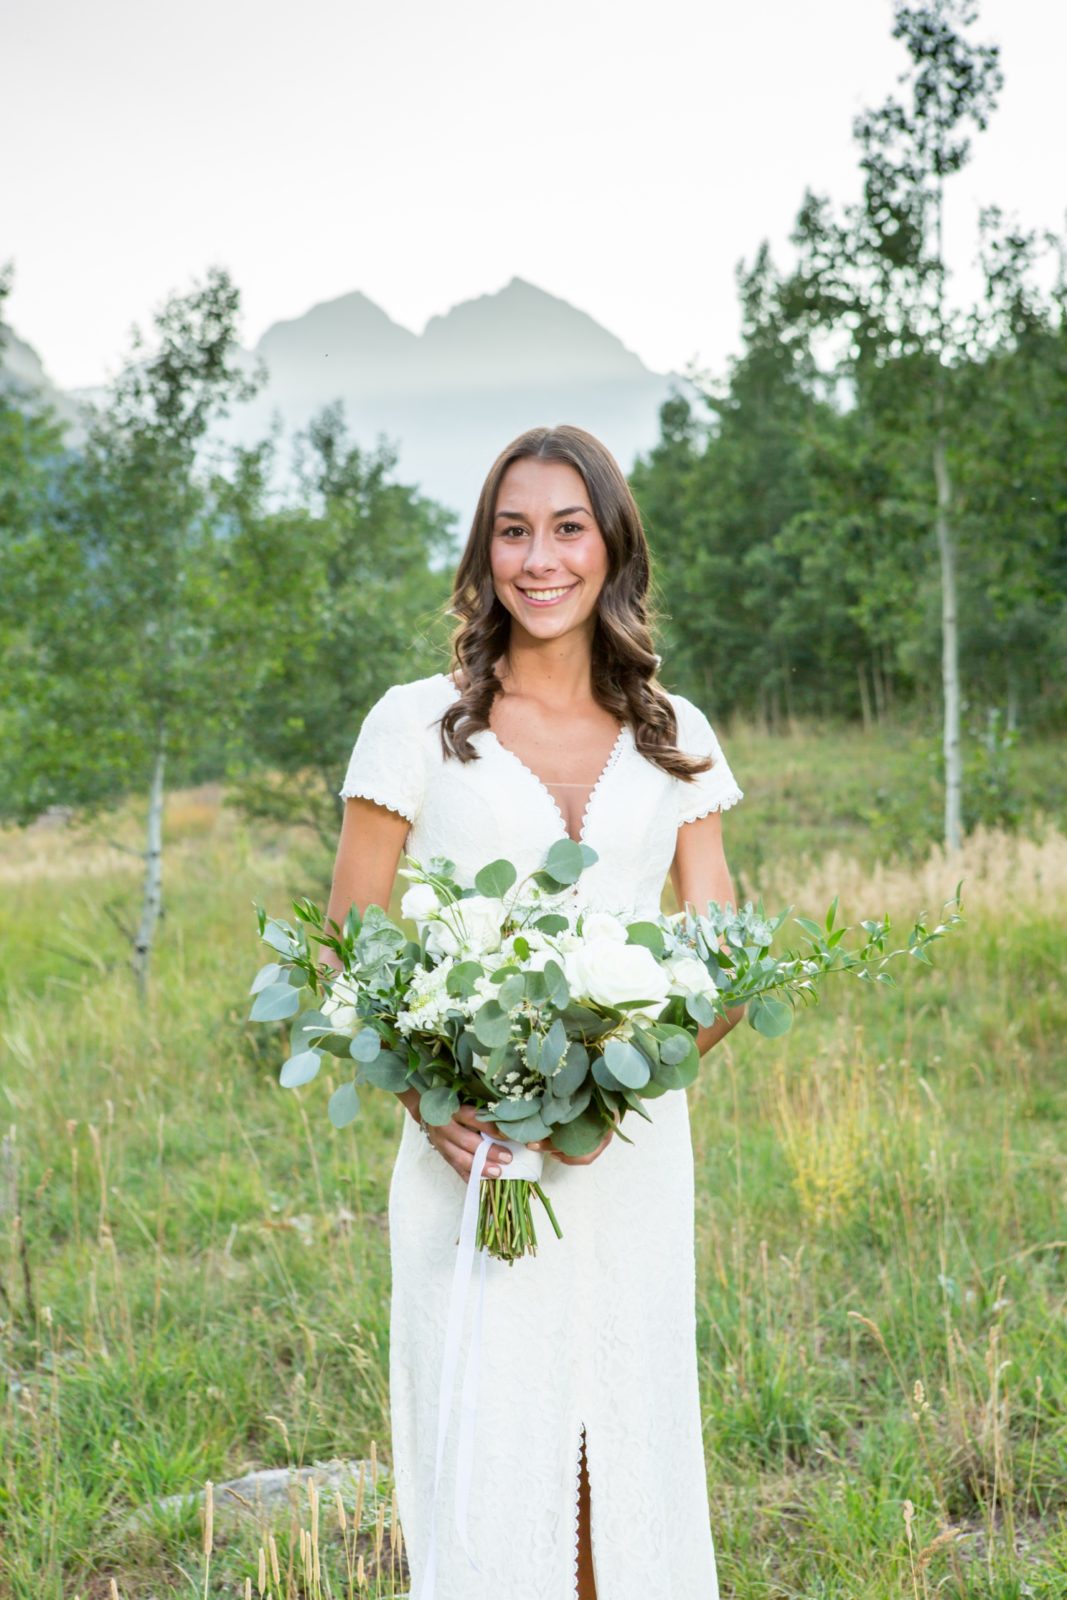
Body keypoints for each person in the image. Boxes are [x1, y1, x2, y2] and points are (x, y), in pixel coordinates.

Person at [323, 424, 745, 1599]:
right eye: (513, 530)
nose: (539, 557)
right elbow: (346, 940)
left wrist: (621, 1084)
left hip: (631, 1160)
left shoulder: (677, 736)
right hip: (475, 1158)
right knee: (494, 1454)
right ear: (483, 550)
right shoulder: (413, 724)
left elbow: (721, 964)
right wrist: (424, 1098)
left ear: (612, 547)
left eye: (568, 527)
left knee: (626, 1445)